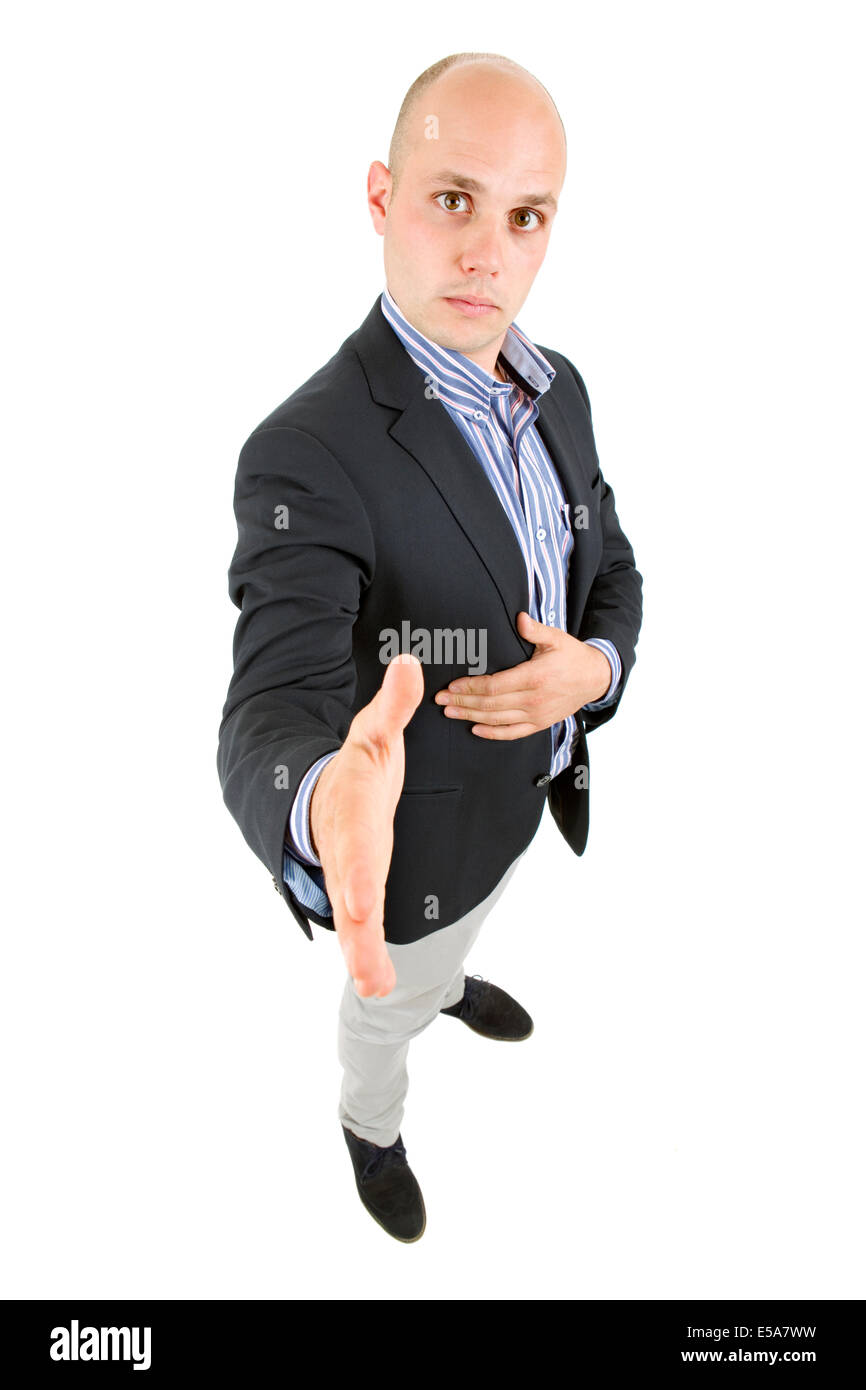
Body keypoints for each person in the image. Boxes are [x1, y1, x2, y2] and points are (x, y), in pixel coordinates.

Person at [217, 50, 643, 1242]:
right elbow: (269, 703)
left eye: (525, 217)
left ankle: (450, 979)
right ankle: (370, 1122)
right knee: (382, 1007)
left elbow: (611, 569)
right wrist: (318, 805)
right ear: (380, 199)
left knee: (471, 925)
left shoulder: (558, 391)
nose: (487, 252)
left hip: (510, 812)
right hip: (400, 859)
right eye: (452, 199)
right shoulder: (305, 451)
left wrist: (592, 670)